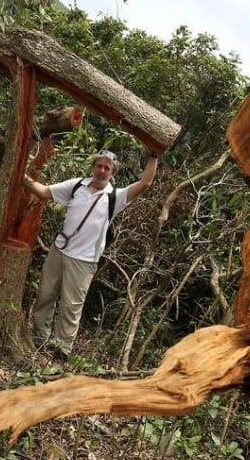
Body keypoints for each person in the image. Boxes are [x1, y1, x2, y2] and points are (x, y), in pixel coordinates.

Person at [21, 149, 159, 356]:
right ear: (93, 167)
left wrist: (154, 155)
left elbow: (144, 184)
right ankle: (39, 338)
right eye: (99, 166)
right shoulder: (77, 185)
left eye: (107, 168)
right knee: (45, 295)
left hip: (84, 261)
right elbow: (43, 192)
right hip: (59, 250)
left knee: (70, 306)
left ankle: (60, 349)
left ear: (113, 173)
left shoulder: (115, 197)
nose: (102, 171)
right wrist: (20, 172)